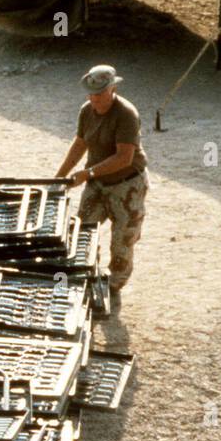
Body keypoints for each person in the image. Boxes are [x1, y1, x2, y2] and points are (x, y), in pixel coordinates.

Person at [55, 64, 149, 301]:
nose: (94, 98)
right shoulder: (87, 110)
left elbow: (124, 157)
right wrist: (60, 176)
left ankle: (113, 286)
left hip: (126, 184)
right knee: (83, 230)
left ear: (113, 88)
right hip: (97, 182)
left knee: (122, 239)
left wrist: (86, 174)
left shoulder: (126, 114)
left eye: (99, 93)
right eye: (91, 93)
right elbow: (80, 144)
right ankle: (85, 276)